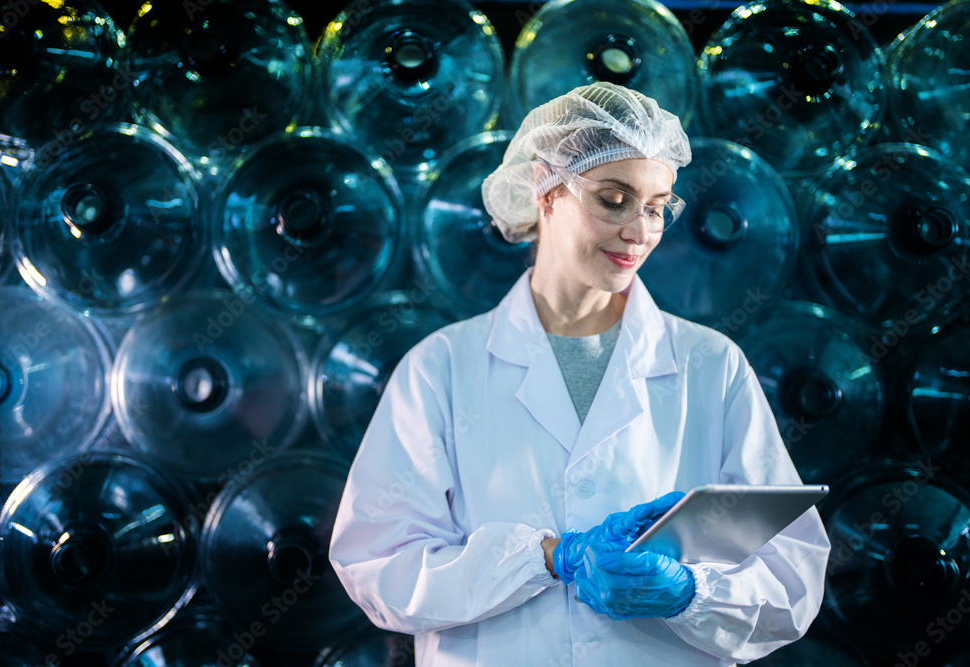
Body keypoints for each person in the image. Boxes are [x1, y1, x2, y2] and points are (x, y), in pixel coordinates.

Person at [329, 82, 830, 666]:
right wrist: (547, 557)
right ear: (545, 189)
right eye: (613, 200)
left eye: (655, 206)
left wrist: (692, 593)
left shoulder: (710, 365)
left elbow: (792, 574)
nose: (639, 232)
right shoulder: (440, 368)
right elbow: (377, 566)